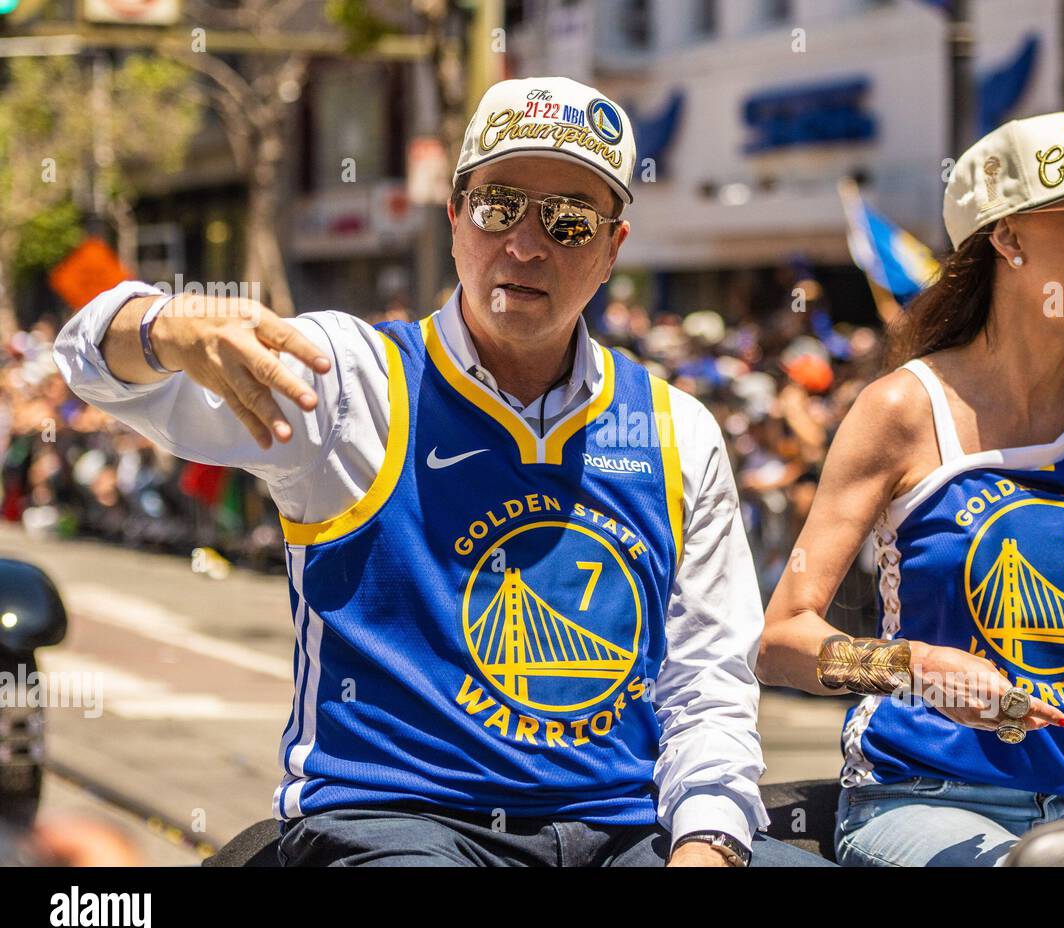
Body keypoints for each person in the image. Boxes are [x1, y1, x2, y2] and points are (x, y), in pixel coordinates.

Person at [55, 76, 829, 867]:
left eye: (568, 220)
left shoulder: (676, 431)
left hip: (622, 832)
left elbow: (709, 684)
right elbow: (94, 367)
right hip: (400, 825)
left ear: (611, 250)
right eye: (499, 208)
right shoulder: (351, 381)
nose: (525, 245)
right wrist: (162, 327)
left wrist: (708, 839)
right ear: (455, 218)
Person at [758, 112, 1064, 867]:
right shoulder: (903, 409)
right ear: (1007, 237)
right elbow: (780, 641)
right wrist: (913, 668)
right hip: (925, 798)